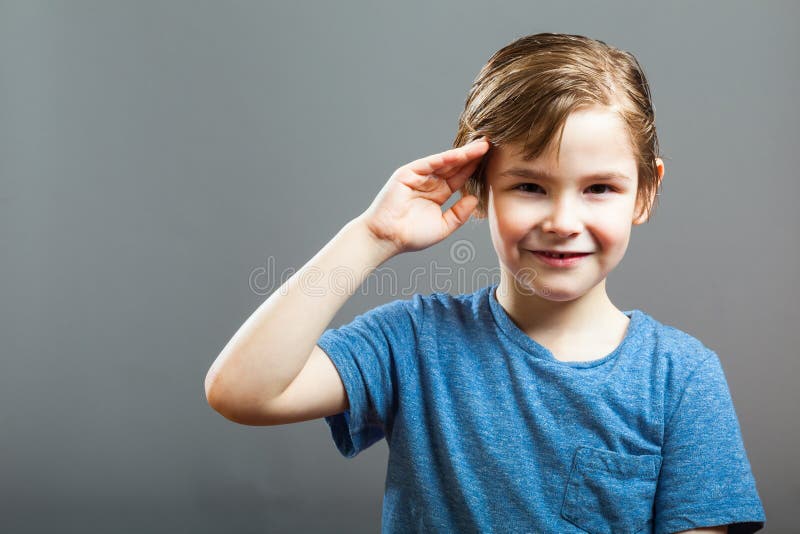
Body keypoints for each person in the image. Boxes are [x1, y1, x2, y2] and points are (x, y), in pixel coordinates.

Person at [204, 33, 766, 533]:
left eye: (599, 188)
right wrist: (372, 235)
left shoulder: (681, 378)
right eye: (529, 187)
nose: (563, 221)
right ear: (478, 189)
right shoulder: (414, 341)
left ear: (644, 192)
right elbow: (242, 392)